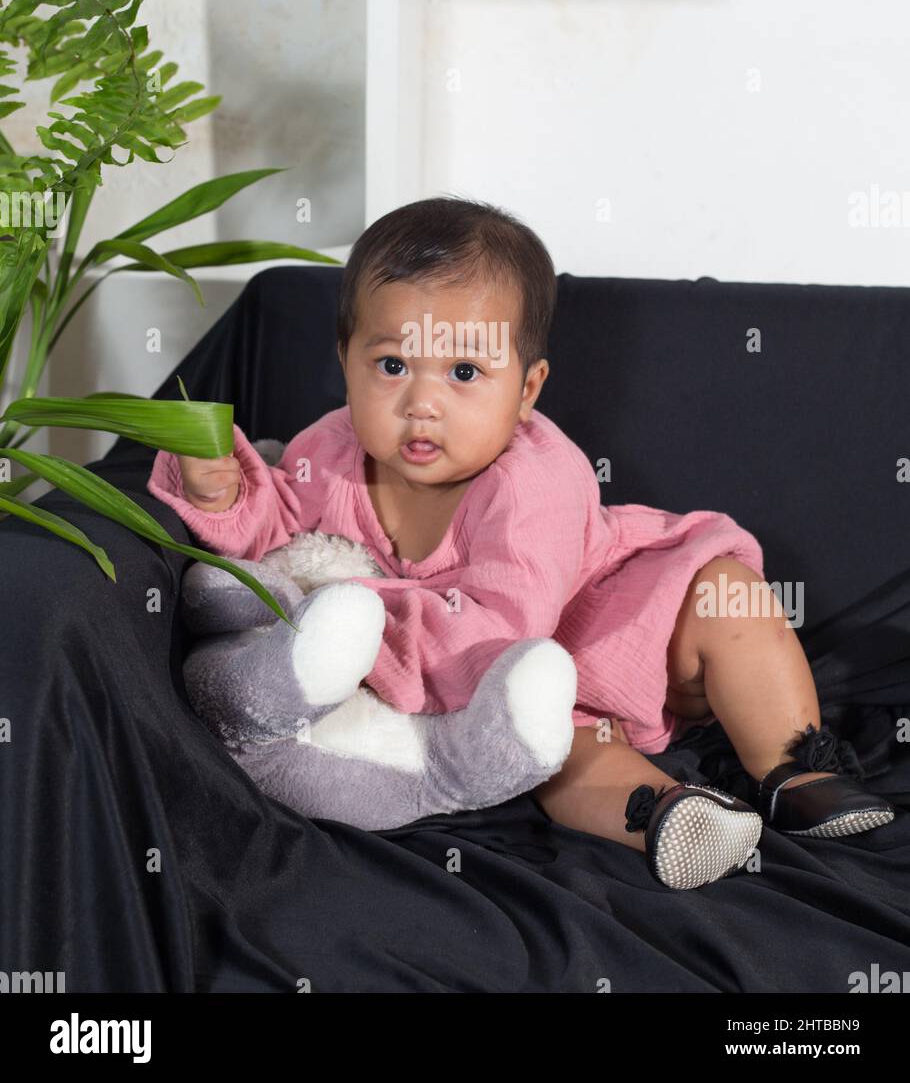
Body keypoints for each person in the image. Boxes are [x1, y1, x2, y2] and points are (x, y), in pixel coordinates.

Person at [147, 196, 894, 889]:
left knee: (729, 602)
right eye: (392, 365)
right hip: (540, 684)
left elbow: (507, 626)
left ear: (527, 389)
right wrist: (225, 493)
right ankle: (667, 815)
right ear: (346, 357)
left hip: (639, 622)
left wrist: (365, 636)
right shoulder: (332, 449)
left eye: (465, 371)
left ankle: (792, 766)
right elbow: (278, 541)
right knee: (556, 758)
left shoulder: (534, 476)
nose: (422, 403)